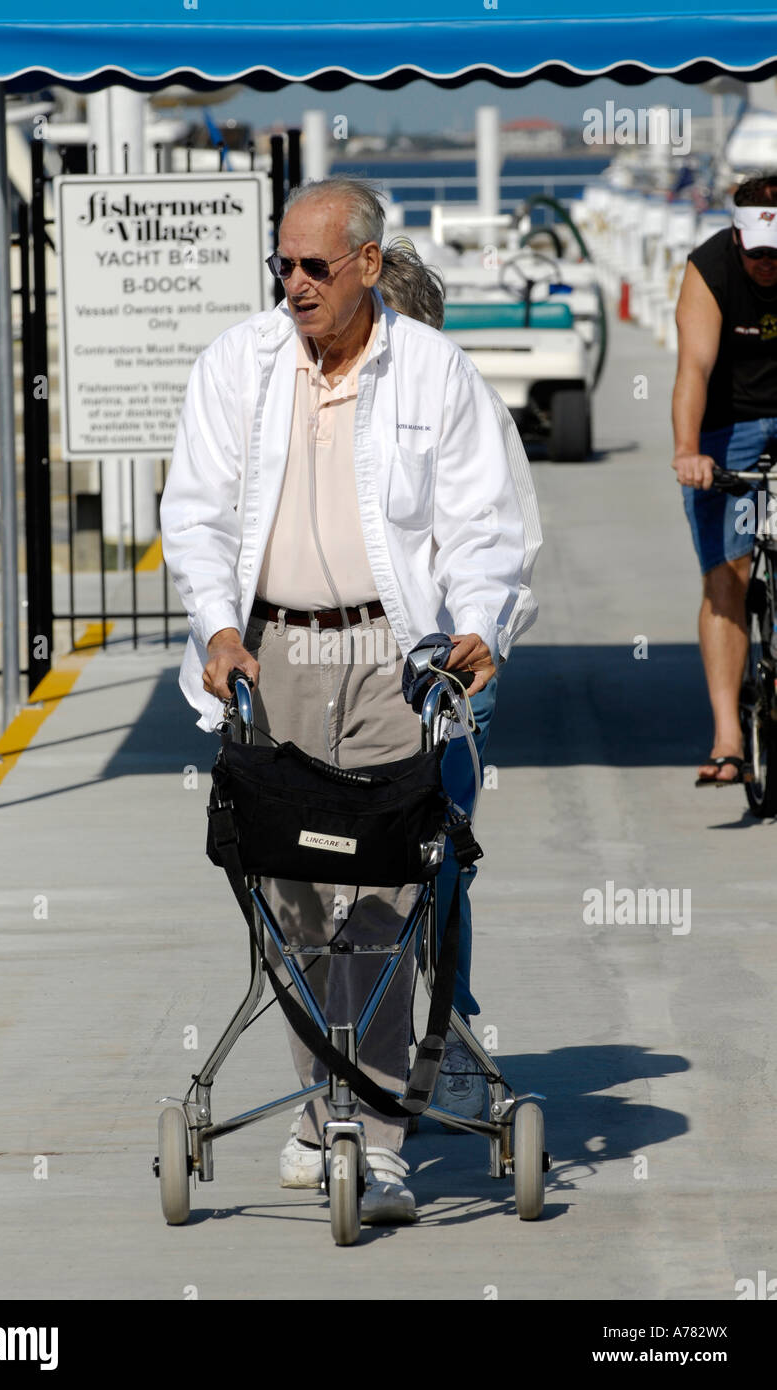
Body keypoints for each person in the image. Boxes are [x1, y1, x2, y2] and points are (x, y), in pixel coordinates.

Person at [161, 176, 541, 1224]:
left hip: (389, 657)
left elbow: (484, 523)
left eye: (312, 267)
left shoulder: (434, 373)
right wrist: (216, 626)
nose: (292, 285)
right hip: (269, 651)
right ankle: (318, 1106)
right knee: (288, 895)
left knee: (378, 896)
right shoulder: (236, 367)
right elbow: (193, 515)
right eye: (281, 265)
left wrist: (482, 626)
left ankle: (370, 1139)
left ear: (369, 264)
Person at [377, 239, 537, 1120]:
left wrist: (479, 645)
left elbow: (512, 548)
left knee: (442, 867)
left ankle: (450, 1037)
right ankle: (352, 1062)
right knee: (335, 874)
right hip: (343, 680)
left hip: (449, 683)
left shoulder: (467, 410)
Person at [672, 173, 777, 785]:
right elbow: (694, 368)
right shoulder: (710, 266)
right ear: (738, 239)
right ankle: (729, 737)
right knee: (726, 575)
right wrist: (688, 449)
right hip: (724, 425)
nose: (767, 265)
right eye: (758, 253)